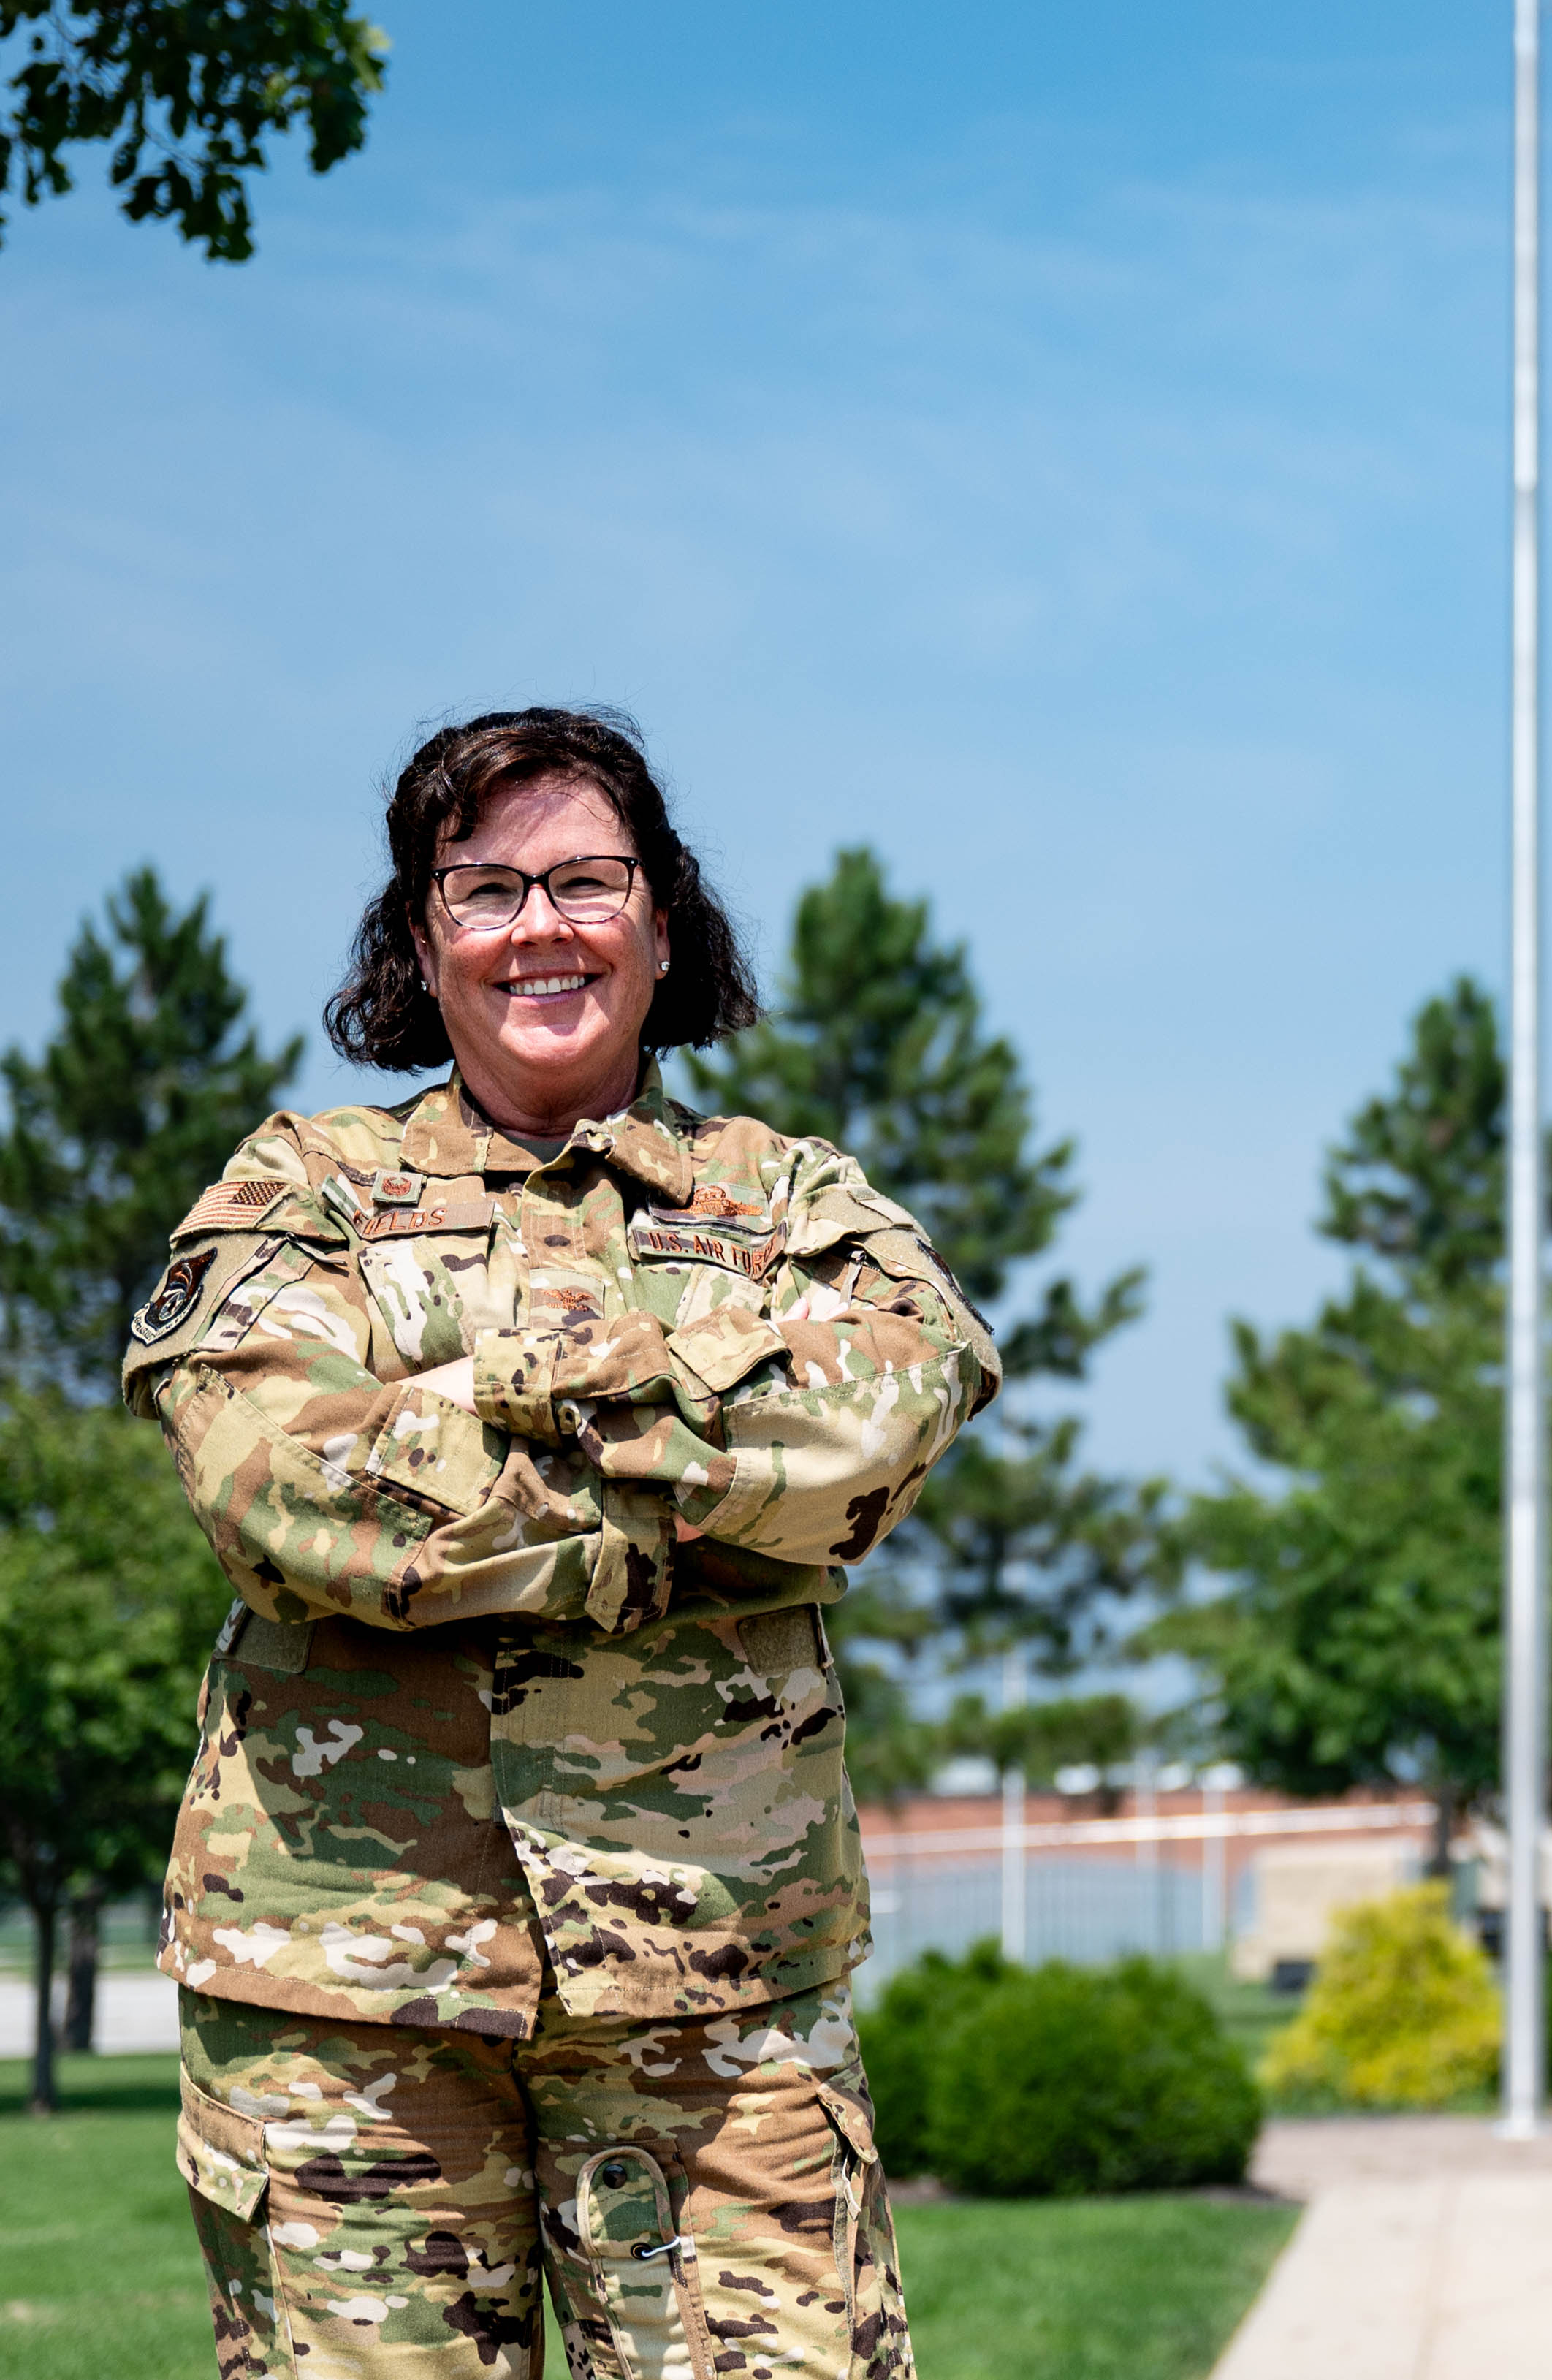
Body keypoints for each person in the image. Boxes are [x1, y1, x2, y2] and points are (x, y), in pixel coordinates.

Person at [123, 706, 1000, 2380]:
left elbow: (890, 1419)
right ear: (420, 938)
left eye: (589, 881)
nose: (543, 925)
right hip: (348, 1998)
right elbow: (288, 1501)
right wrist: (690, 1486)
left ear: (664, 925)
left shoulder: (795, 1199)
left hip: (719, 1985)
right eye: (487, 888)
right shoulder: (299, 1189)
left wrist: (466, 1401)